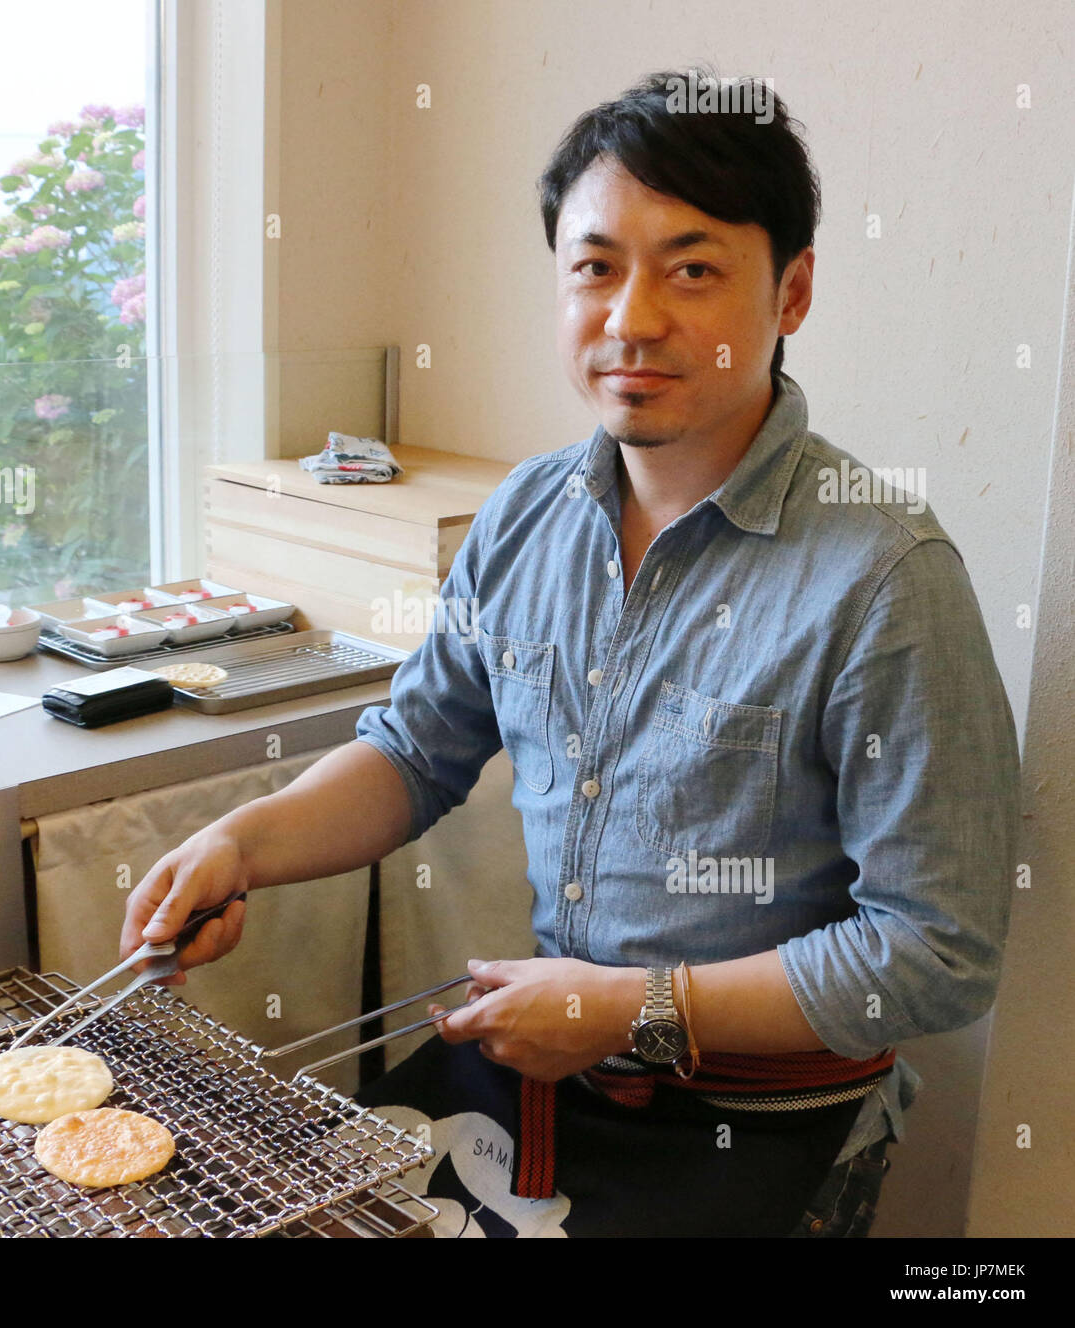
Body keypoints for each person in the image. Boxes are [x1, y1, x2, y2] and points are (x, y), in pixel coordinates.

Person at [119, 67, 1020, 1238]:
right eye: (595, 267)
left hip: (764, 1114)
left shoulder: (883, 574)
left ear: (791, 290)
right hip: (552, 1073)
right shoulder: (526, 513)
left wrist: (636, 1009)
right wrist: (238, 841)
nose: (631, 317)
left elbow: (935, 950)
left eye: (691, 269)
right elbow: (413, 750)